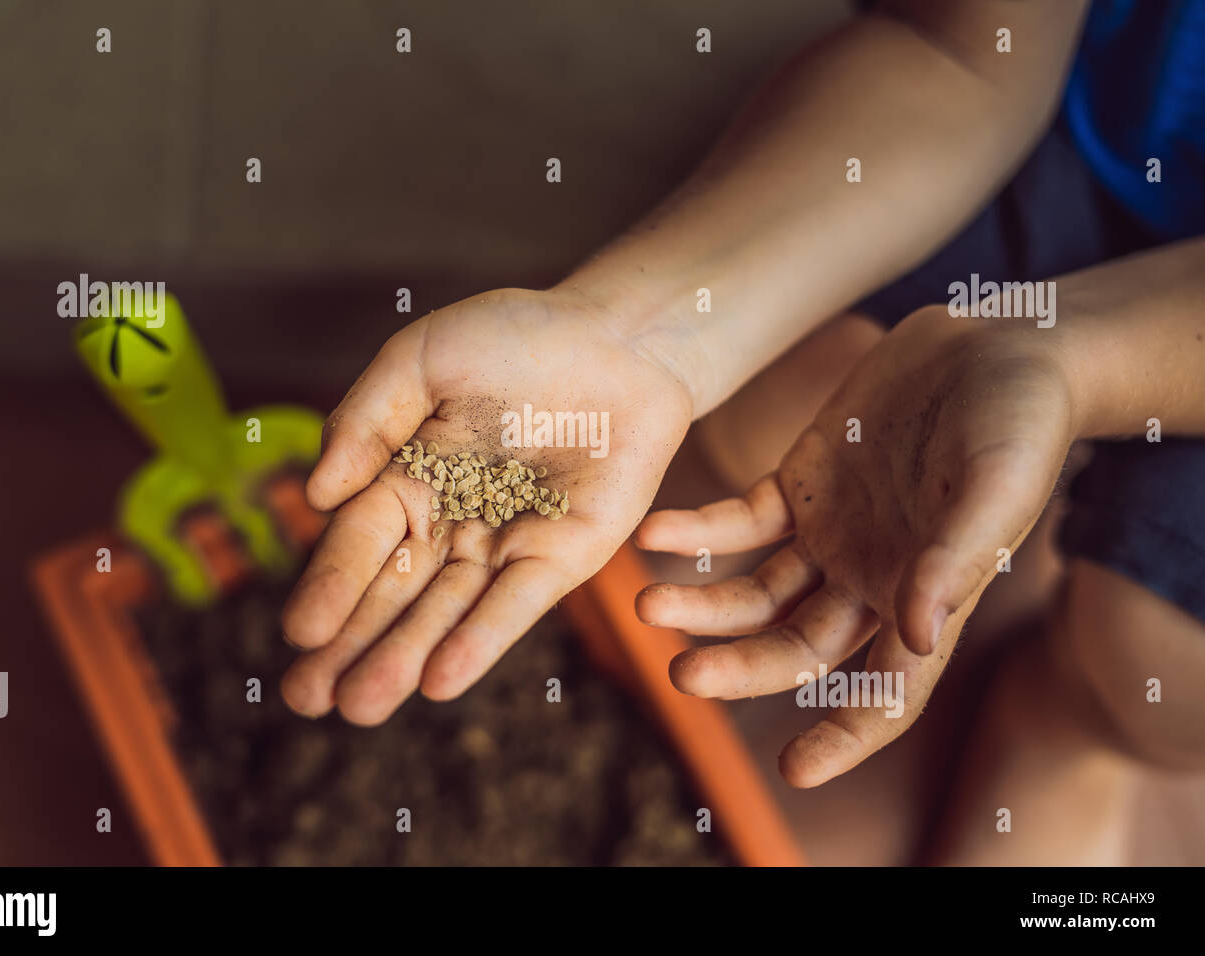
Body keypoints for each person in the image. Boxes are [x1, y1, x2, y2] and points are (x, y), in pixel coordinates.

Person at [280, 0, 1205, 863]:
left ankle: (1078, 724)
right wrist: (635, 332)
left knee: (1159, 663)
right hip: (1072, 131)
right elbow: (960, 52)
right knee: (794, 414)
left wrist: (1076, 360)